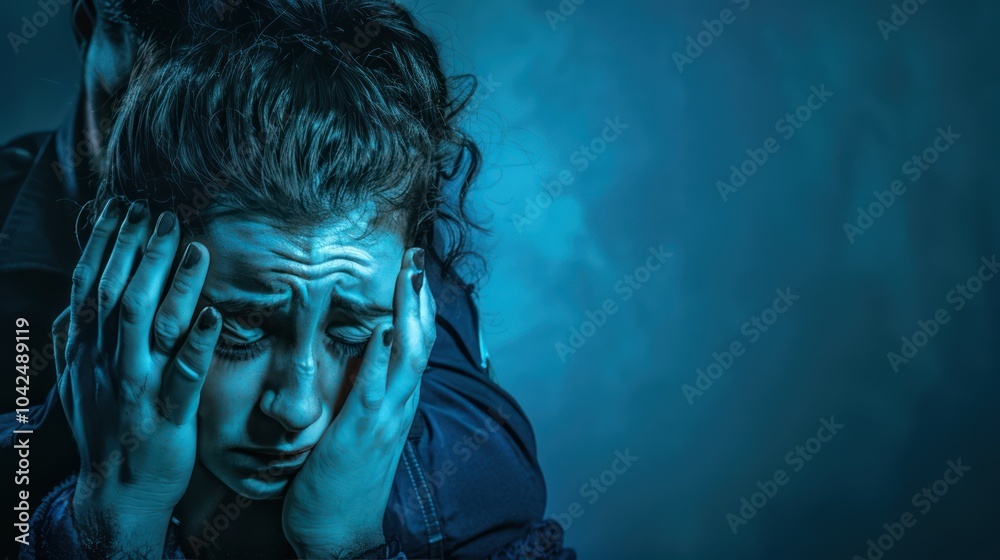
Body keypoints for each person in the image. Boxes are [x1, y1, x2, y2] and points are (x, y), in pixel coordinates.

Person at [1, 1, 574, 558]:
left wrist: (346, 545)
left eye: (349, 334)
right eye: (241, 329)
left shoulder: (452, 465)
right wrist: (116, 524)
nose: (297, 408)